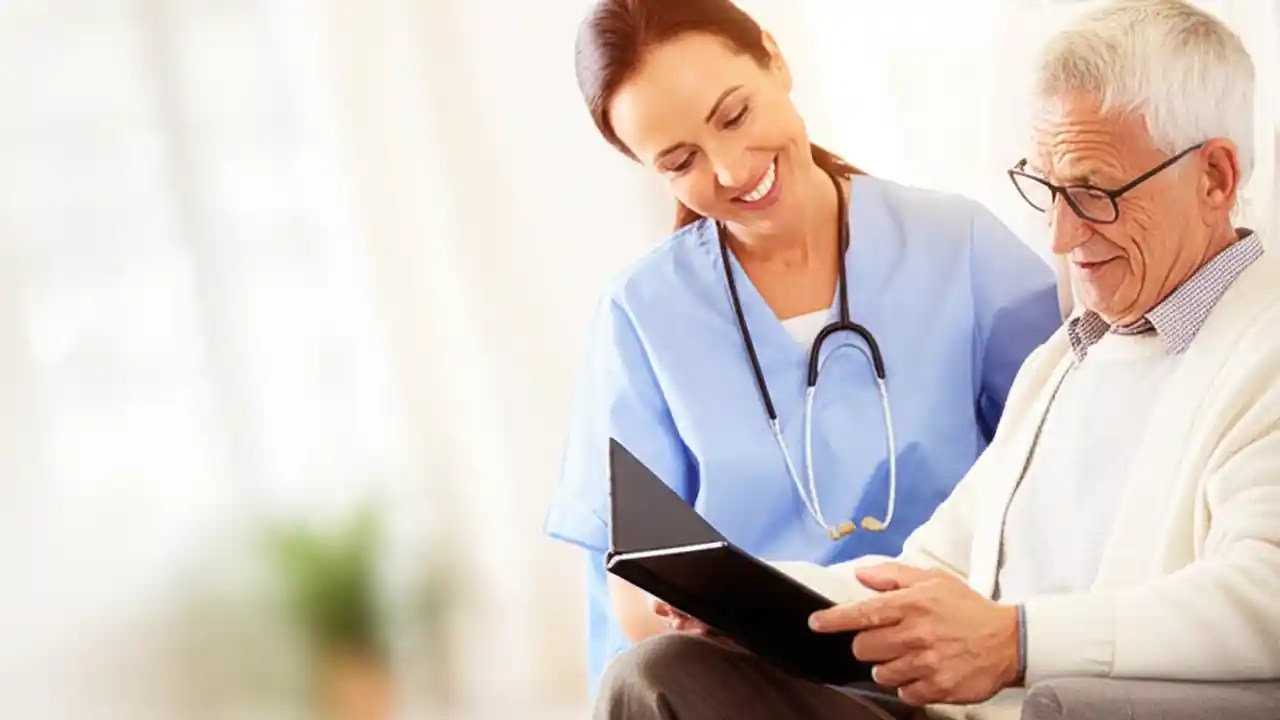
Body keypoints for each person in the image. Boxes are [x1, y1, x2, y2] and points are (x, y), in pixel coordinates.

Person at [592, 1, 1280, 719]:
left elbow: (1267, 594)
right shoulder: (1069, 357)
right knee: (658, 675)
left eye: (1092, 195)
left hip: (1063, 705)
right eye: (1047, 190)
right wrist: (742, 599)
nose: (1059, 235)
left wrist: (1015, 641)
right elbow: (929, 575)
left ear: (1215, 178)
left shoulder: (1262, 347)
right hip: (945, 707)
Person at [542, 0, 1063, 696]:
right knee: (651, 675)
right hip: (768, 681)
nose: (729, 171)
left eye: (733, 116)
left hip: (955, 667)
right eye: (680, 161)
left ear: (774, 59)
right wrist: (693, 618)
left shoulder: (957, 248)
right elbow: (634, 597)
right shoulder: (641, 317)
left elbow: (1070, 463)